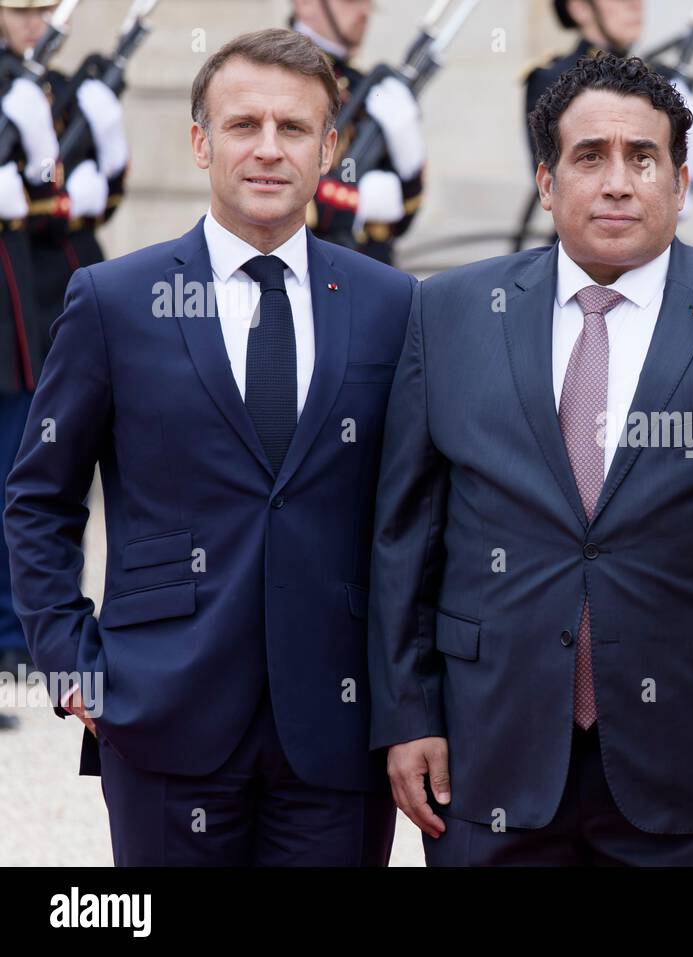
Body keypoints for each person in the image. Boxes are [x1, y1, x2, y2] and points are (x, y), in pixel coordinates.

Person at [369, 54, 693, 866]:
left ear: (680, 179)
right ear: (545, 180)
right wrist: (406, 712)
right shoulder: (451, 311)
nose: (616, 181)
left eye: (643, 158)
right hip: (491, 758)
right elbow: (406, 538)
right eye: (589, 156)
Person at [4, 28, 413, 866]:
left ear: (330, 148)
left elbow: (422, 505)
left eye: (295, 128)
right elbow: (40, 496)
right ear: (200, 141)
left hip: (340, 725)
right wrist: (67, 659)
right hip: (160, 717)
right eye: (243, 125)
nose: (269, 149)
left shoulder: (393, 305)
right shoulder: (112, 300)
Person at [2, 0, 129, 334]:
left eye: (44, 12)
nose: (33, 24)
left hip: (80, 268)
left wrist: (112, 160)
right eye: (20, 12)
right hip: (28, 277)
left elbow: (104, 204)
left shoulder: (60, 87)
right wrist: (65, 204)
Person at [0, 0, 61, 696]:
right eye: (23, 9)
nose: (36, 23)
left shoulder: (27, 86)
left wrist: (40, 157)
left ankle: (13, 633)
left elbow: (56, 197)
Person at [524, 0, 693, 217]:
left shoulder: (664, 76)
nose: (636, 6)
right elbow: (555, 177)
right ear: (580, 8)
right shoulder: (551, 78)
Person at [291, 0, 424, 264]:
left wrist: (410, 159)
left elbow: (402, 220)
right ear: (305, 4)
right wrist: (356, 201)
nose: (365, 11)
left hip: (374, 273)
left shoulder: (364, 85)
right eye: (351, 1)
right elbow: (285, 191)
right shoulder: (280, 76)